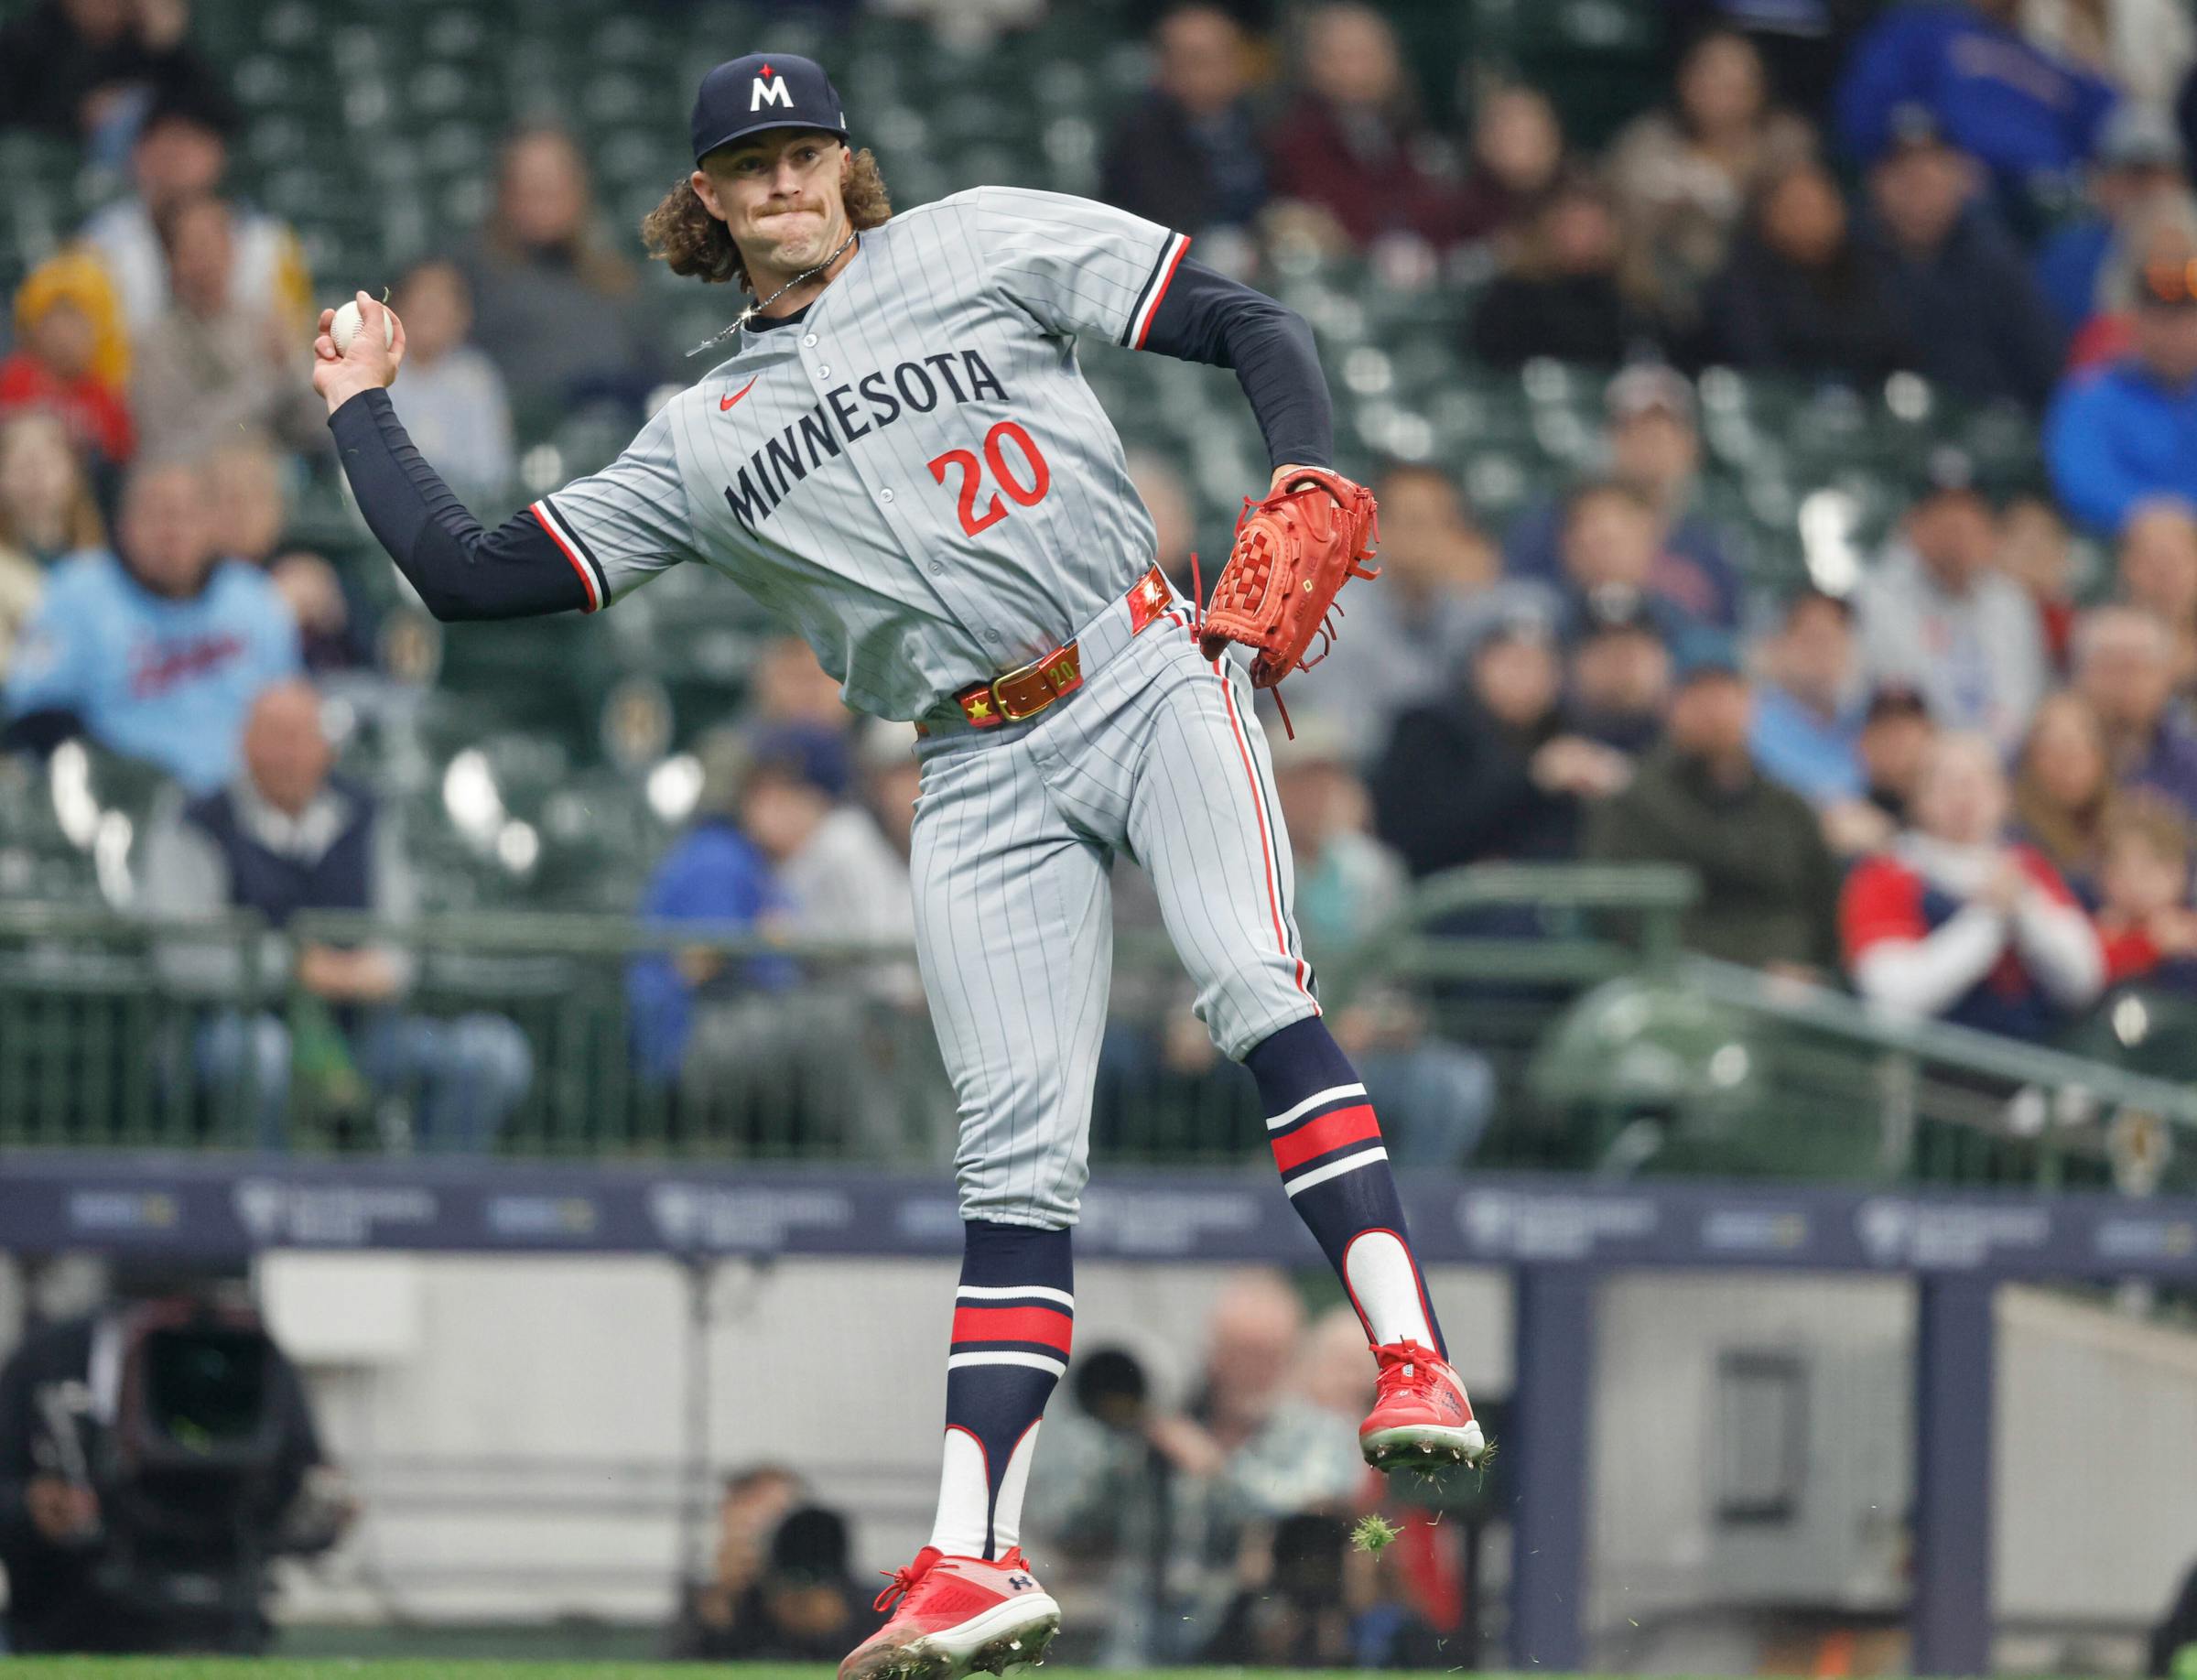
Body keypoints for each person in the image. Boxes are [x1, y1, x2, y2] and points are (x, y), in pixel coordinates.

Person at [319, 47, 1487, 1675]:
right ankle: (968, 1555)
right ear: (711, 204)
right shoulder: (705, 434)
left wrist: (1303, 464)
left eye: (808, 152)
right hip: (972, 759)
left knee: (1243, 978)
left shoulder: (980, 238)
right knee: (1012, 1164)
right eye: (754, 165)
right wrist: (361, 406)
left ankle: (1412, 1355)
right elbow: (466, 574)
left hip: (1145, 663)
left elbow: (1250, 323)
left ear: (846, 167)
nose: (787, 181)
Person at [140, 681, 533, 1151]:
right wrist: (291, 968)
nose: (288, 753)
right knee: (263, 1053)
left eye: (301, 737)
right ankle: (261, 1206)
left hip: (362, 1033)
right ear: (243, 743)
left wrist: (351, 972)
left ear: (326, 747)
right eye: (273, 736)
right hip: (225, 1029)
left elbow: (398, 950)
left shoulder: (371, 816)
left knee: (493, 1054)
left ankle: (434, 1206)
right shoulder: (193, 822)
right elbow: (184, 958)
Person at [0, 1266, 352, 1653]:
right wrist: (33, 1507)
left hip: (228, 1614)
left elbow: (300, 1476)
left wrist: (320, 1507)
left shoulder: (250, 1355)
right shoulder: (52, 1357)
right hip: (70, 1618)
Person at [1031, 1272, 1368, 1666]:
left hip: (1255, 1652)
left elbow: (1307, 1502)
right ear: (1211, 1349)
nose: (1249, 1370)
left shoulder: (1318, 1432)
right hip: (1137, 1651)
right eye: (1236, 1352)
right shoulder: (1164, 1423)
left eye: (1264, 1355)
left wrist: (1210, 1465)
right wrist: (1123, 1436)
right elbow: (1065, 1524)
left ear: (1292, 1356)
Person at [2, 459, 298, 793]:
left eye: (187, 515)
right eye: (155, 515)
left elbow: (288, 713)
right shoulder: (77, 593)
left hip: (240, 807)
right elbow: (33, 721)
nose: (172, 531)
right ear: (124, 524)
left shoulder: (252, 597)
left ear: (213, 523)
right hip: (118, 799)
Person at [1586, 635, 1843, 972]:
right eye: (1698, 693)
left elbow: (1823, 915)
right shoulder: (1636, 806)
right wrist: (1755, 971)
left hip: (1791, 997)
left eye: (1726, 692)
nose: (1714, 709)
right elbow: (1629, 922)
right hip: (1678, 998)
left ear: (1750, 703)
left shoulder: (1788, 810)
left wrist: (1805, 969)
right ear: (1671, 705)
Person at [1840, 730, 2105, 1035]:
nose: (1964, 797)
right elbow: (1892, 999)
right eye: (1948, 784)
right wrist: (1989, 917)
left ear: (2002, 794)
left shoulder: (2026, 868)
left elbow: (2083, 980)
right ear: (1918, 797)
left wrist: (2024, 909)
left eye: (1977, 782)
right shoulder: (1887, 872)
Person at [1372, 602, 1622, 875]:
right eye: (1512, 662)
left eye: (1540, 665)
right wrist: (1533, 781)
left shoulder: (1568, 733)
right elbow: (1418, 834)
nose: (1525, 678)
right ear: (1478, 664)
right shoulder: (1430, 730)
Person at [1607, 28, 1817, 346]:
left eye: (1734, 79)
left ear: (1759, 87)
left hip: (1764, 311)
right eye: (1708, 74)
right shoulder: (1646, 142)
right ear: (1685, 81)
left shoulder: (1785, 144)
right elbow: (1612, 224)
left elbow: (1810, 226)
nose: (1719, 89)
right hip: (1653, 308)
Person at [1503, 364, 1745, 629]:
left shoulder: (1708, 548)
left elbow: (1728, 635)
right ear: (1611, 438)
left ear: (1692, 446)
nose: (1652, 446)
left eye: (1665, 433)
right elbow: (1520, 611)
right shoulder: (1552, 523)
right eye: (1637, 431)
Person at [1854, 111, 2064, 410]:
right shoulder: (1849, 259)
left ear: (1959, 178)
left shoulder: (1994, 261)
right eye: (1904, 177)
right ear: (1877, 182)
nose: (1919, 192)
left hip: (1982, 428)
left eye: (1930, 175)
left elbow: (2045, 364)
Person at [1834, 0, 2117, 222]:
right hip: (1968, 191)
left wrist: (2089, 52)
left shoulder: (2046, 58)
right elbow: (1867, 109)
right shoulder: (1924, 29)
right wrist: (1929, 157)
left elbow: (2112, 125)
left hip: (2051, 197)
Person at [70, 83, 311, 341]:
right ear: (138, 154)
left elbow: (296, 351)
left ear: (218, 153)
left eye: (192, 140)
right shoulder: (98, 245)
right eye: (163, 138)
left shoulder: (269, 244)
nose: (176, 154)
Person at [1293, 461, 1496, 761]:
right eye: (1415, 522)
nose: (1431, 538)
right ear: (1377, 529)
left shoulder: (1468, 616)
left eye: (1445, 522)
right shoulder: (1336, 619)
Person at [459, 125, 662, 423]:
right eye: (528, 184)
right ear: (503, 194)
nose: (542, 196)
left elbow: (663, 375)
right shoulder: (467, 277)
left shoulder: (619, 277)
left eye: (554, 183)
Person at [1852, 454, 2047, 753]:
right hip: (1912, 766)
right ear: (1913, 523)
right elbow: (1888, 694)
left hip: (2003, 768)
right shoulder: (1875, 599)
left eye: (1969, 513)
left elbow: (2027, 702)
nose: (1957, 528)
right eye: (1942, 513)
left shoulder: (2012, 603)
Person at [1261, 3, 1474, 255]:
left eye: (1370, 55)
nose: (1357, 71)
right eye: (1344, 57)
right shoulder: (1294, 141)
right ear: (1314, 65)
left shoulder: (1411, 135)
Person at [130, 195, 326, 462]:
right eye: (192, 248)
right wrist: (267, 380)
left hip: (269, 479)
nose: (205, 259)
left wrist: (294, 367)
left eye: (214, 242)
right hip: (192, 484)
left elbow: (317, 427)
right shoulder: (155, 343)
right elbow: (167, 443)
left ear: (233, 250)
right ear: (171, 259)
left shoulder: (264, 324)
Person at [1704, 158, 1912, 383]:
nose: (1809, 218)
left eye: (1818, 206)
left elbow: (1892, 348)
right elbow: (1755, 359)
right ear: (1768, 215)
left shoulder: (1870, 267)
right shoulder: (1740, 280)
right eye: (1797, 207)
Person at [2048, 244, 2197, 533]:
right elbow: (2081, 481)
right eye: (2162, 318)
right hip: (2116, 549)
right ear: (2135, 320)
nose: (2175, 334)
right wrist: (2150, 519)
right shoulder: (2090, 394)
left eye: (2187, 318)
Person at [1099, 5, 1269, 245]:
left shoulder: (1261, 120)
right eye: (1195, 60)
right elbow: (1169, 221)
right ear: (1166, 67)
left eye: (1224, 56)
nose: (1217, 70)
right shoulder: (1141, 138)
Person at [2033, 103, 2192, 337]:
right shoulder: (2068, 257)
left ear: (2180, 182)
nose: (2145, 193)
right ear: (2103, 183)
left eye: (2156, 178)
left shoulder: (2190, 244)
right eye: (2132, 178)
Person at [1468, 172, 1647, 370]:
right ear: (1547, 228)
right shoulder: (1512, 300)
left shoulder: (1631, 301)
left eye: (1591, 226)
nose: (1580, 237)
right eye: (1572, 225)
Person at [668, 1501, 882, 1661]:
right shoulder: (739, 1602)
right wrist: (721, 1609)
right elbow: (678, 1662)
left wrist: (836, 1626)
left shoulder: (872, 1607)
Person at [382, 258, 517, 499]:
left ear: (462, 316)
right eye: (420, 301)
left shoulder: (477, 377)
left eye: (440, 303)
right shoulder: (375, 371)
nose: (428, 311)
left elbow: (491, 471)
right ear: (396, 308)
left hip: (462, 513)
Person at [0, 255, 135, 472]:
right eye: (55, 324)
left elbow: (119, 462)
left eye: (77, 324)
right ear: (35, 331)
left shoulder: (105, 397)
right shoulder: (13, 381)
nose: (65, 337)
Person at [0, 415, 104, 679]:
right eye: (22, 465)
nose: (36, 476)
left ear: (72, 472)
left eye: (47, 462)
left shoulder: (100, 562)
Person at [2073, 604, 2197, 816]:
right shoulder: (2040, 760)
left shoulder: (2189, 762)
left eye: (2136, 668)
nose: (2123, 683)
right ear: (2081, 675)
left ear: (2166, 677)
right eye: (2109, 667)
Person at [2011, 689, 2115, 900]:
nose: (2067, 769)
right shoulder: (2013, 834)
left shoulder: (2126, 822)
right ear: (2031, 761)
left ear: (2100, 757)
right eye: (2054, 755)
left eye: (2076, 754)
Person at [2094, 790, 2197, 992]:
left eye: (2148, 870)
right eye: (2119, 872)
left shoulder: (2189, 926)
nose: (2134, 885)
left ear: (2180, 872)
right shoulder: (2102, 931)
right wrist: (2149, 945)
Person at [1454, 84, 1567, 245]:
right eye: (1504, 125)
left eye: (1528, 128)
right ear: (1481, 138)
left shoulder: (1581, 208)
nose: (1516, 137)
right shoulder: (1458, 213)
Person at [2119, 498, 2197, 694]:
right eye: (2152, 561)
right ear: (2126, 566)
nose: (2164, 576)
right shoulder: (2102, 646)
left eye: (2174, 561)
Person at [1858, 682, 1937, 828]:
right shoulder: (1853, 815)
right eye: (1884, 729)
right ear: (1865, 742)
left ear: (1930, 734)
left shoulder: (1950, 810)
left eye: (1906, 727)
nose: (1895, 739)